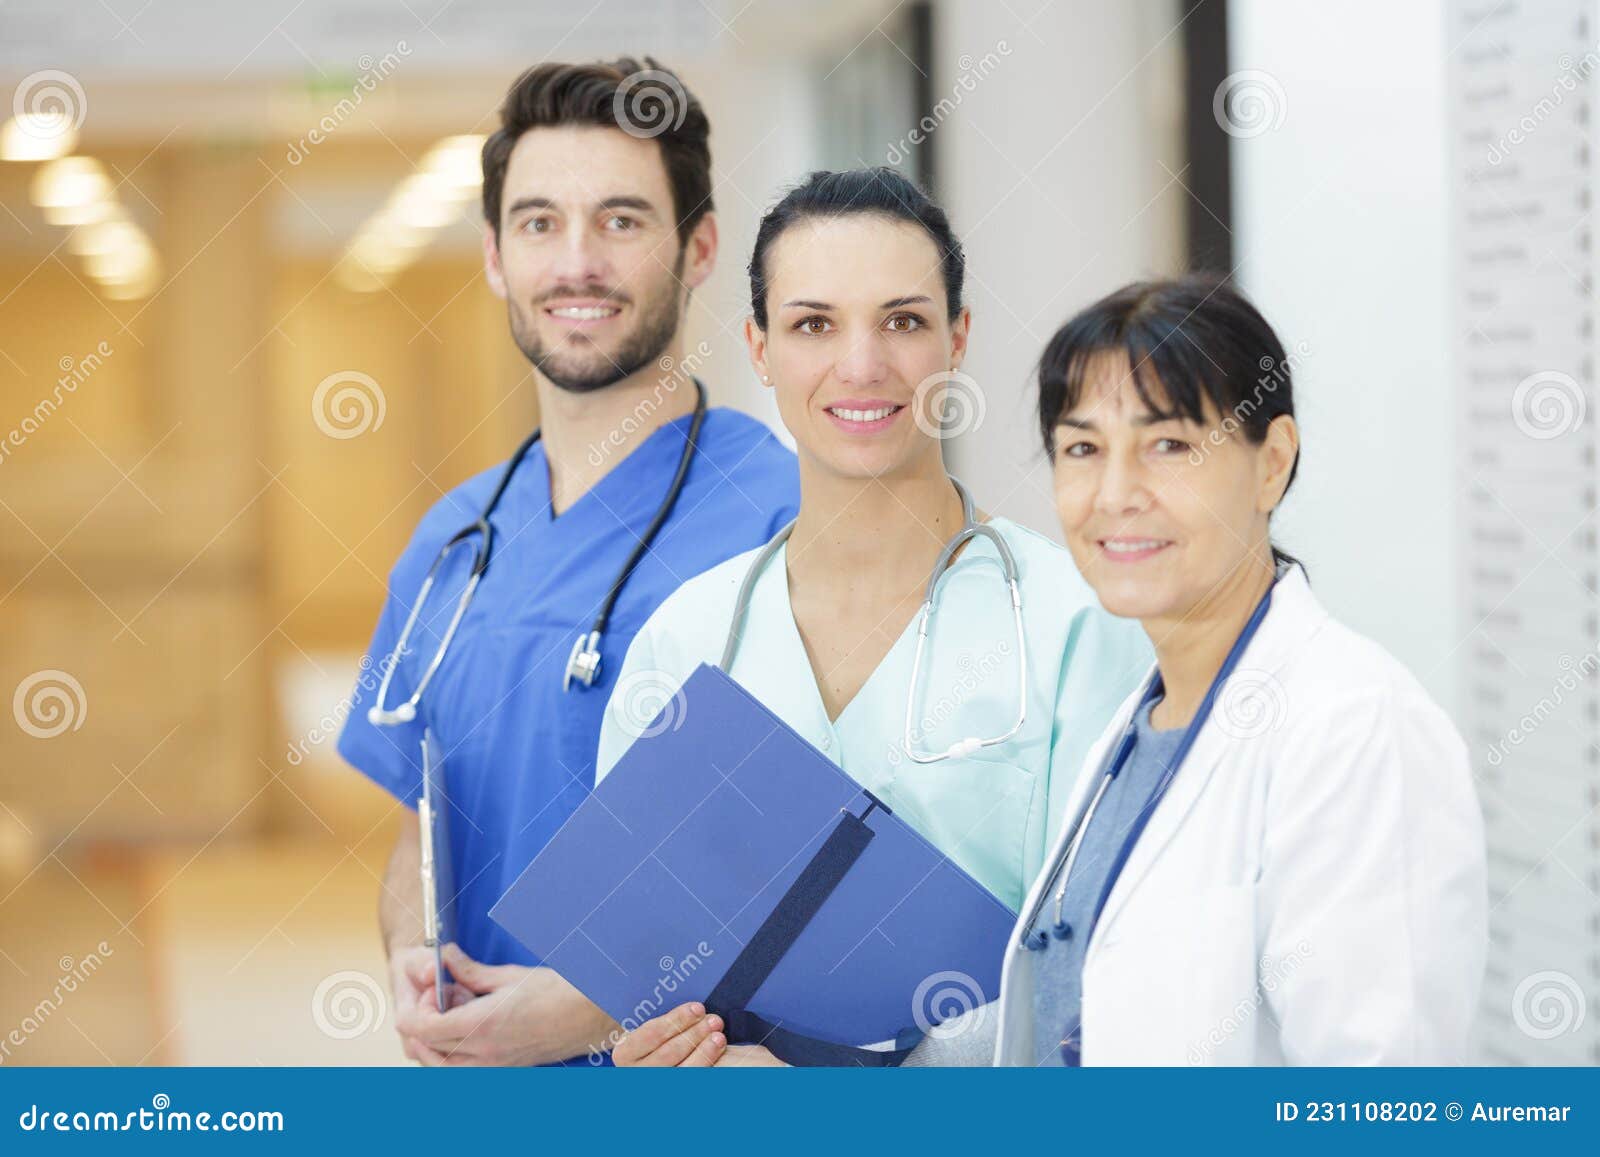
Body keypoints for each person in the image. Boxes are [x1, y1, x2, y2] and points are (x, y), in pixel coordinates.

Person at [617, 274, 1487, 1068]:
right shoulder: (1139, 731)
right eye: (1082, 449)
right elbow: (1068, 1021)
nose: (1116, 493)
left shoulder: (1353, 729)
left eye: (1171, 445)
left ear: (1273, 459)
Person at [604, 168, 1150, 1067]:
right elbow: (636, 960)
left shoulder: (1073, 629)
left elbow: (1108, 991)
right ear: (760, 347)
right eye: (813, 324)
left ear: (958, 339)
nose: (862, 366)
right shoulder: (686, 640)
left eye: (903, 321)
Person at [336, 57, 800, 1067]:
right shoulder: (452, 542)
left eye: (622, 220)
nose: (576, 262)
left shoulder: (786, 520)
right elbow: (423, 816)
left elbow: (835, 860)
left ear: (700, 246)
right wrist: (411, 948)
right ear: (498, 254)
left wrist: (601, 1000)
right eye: (540, 222)